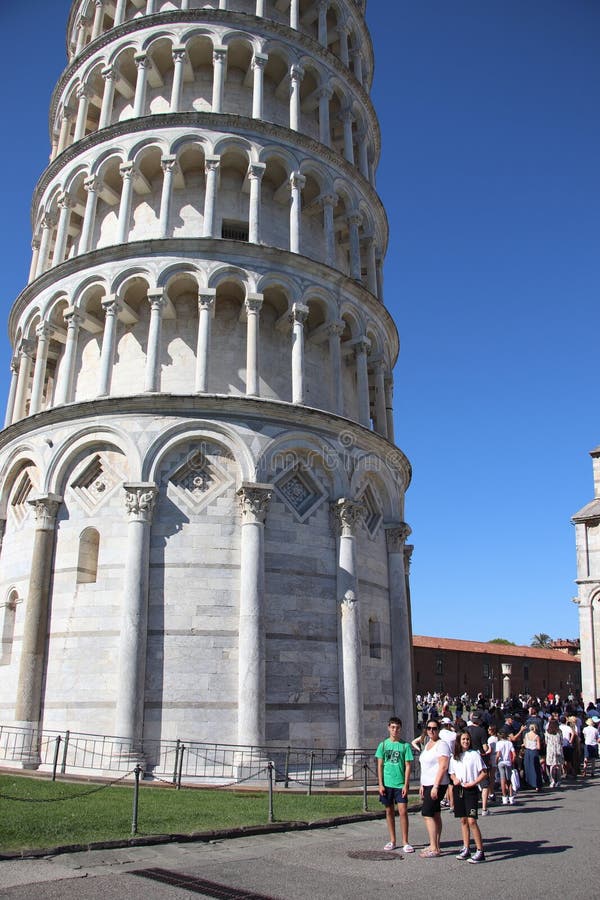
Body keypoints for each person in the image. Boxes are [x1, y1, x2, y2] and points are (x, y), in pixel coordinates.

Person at [375, 716, 415, 852]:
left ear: (400, 729)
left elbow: (408, 765)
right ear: (388, 728)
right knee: (389, 811)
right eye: (392, 727)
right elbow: (380, 765)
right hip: (387, 783)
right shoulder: (383, 745)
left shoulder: (405, 746)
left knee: (403, 811)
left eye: (397, 728)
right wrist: (380, 784)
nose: (395, 730)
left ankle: (405, 841)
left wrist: (406, 784)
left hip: (400, 784)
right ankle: (392, 840)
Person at [449, 731, 487, 863]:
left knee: (472, 820)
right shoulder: (455, 756)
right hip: (459, 789)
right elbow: (452, 773)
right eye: (463, 739)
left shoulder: (474, 754)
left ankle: (480, 850)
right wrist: (454, 779)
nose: (466, 741)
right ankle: (466, 848)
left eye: (467, 739)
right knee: (463, 820)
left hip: (470, 789)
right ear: (459, 741)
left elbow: (483, 772)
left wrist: (474, 782)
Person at [418, 720, 451, 857]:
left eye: (434, 728)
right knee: (436, 814)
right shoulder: (428, 744)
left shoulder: (442, 744)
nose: (431, 730)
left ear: (439, 729)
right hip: (427, 783)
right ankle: (435, 844)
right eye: (429, 728)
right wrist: (421, 784)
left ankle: (434, 848)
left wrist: (435, 786)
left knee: (427, 814)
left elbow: (443, 766)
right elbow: (425, 767)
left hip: (437, 784)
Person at [495, 727, 515, 804]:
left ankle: (504, 797)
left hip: (501, 762)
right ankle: (511, 796)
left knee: (502, 780)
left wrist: (496, 762)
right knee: (509, 780)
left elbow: (498, 755)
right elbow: (514, 754)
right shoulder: (509, 743)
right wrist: (512, 761)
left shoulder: (498, 743)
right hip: (508, 762)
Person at [523, 723, 543, 791]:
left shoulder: (526, 735)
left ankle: (529, 783)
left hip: (527, 752)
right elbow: (538, 747)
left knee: (528, 768)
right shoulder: (537, 736)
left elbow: (525, 745)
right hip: (534, 752)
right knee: (535, 768)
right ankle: (537, 784)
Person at [545, 717, 564, 788]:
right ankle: (558, 780)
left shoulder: (547, 732)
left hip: (550, 750)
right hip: (558, 749)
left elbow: (546, 741)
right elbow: (561, 741)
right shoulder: (559, 732)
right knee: (558, 766)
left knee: (551, 766)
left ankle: (552, 781)